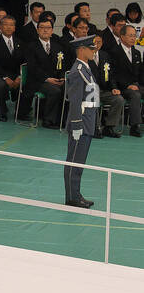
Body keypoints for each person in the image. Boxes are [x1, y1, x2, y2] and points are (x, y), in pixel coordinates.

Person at [63, 35, 100, 209]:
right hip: (81, 122)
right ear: (81, 50)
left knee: (79, 161)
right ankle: (72, 196)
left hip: (88, 121)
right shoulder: (77, 72)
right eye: (90, 48)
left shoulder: (85, 69)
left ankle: (75, 193)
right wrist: (76, 124)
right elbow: (75, 100)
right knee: (74, 161)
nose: (94, 51)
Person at [19, 18, 66, 127]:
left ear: (52, 31)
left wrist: (62, 77)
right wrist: (47, 79)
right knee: (54, 91)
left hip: (55, 80)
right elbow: (32, 67)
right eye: (42, 28)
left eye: (48, 28)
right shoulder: (30, 46)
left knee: (67, 88)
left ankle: (61, 119)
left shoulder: (58, 47)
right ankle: (48, 120)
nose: (45, 30)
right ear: (37, 30)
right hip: (37, 81)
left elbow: (62, 66)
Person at [101, 22, 143, 136]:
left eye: (134, 35)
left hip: (135, 85)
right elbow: (113, 74)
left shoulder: (137, 53)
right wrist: (126, 85)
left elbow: (140, 73)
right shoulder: (114, 52)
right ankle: (135, 126)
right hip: (121, 87)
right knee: (135, 95)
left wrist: (138, 84)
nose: (133, 38)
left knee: (137, 91)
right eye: (130, 35)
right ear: (122, 36)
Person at [88, 33, 125, 138]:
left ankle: (109, 127)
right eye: (94, 42)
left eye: (99, 42)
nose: (96, 44)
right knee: (93, 97)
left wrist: (114, 88)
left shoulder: (105, 55)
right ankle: (94, 128)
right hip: (89, 89)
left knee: (119, 99)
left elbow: (111, 74)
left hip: (104, 89)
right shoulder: (85, 55)